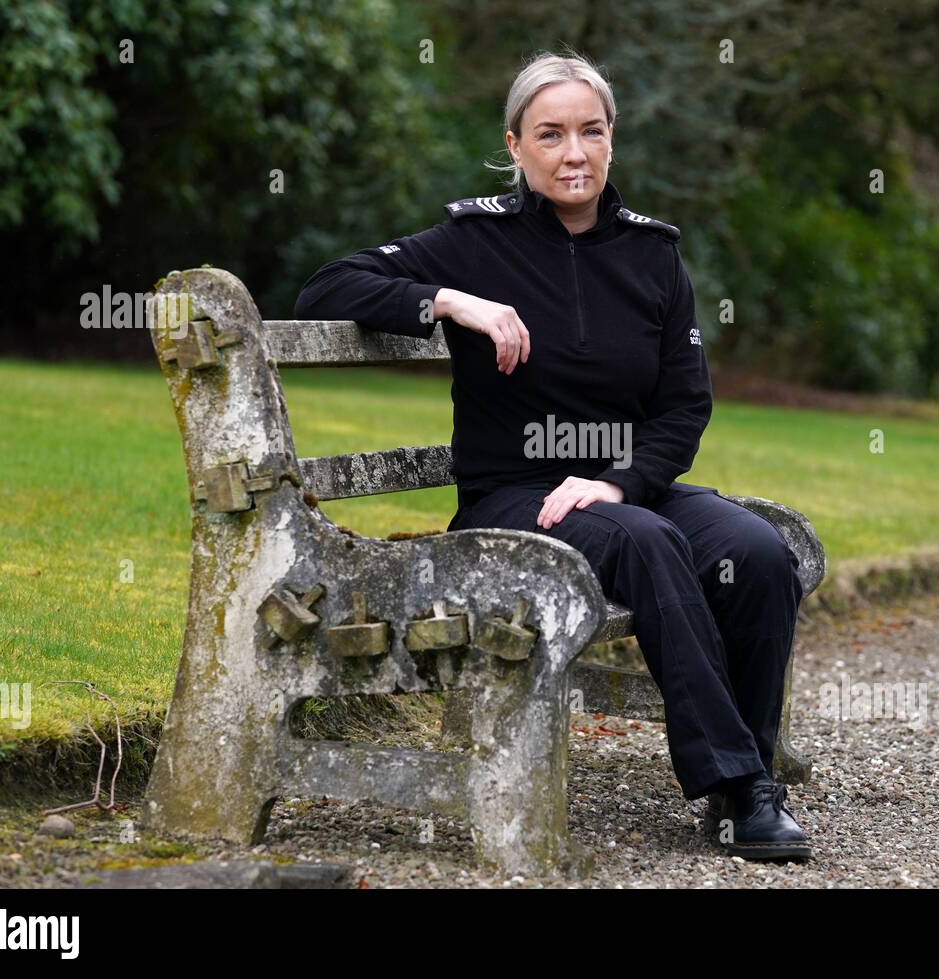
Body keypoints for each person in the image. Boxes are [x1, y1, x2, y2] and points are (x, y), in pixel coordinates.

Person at [294, 49, 810, 862]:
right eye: (552, 134)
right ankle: (741, 788)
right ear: (516, 146)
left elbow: (684, 406)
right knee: (647, 542)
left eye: (591, 131)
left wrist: (618, 481)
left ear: (612, 140)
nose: (574, 152)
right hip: (512, 499)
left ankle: (751, 765)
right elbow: (326, 287)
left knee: (757, 551)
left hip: (622, 487)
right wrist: (449, 299)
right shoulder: (473, 241)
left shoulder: (653, 254)